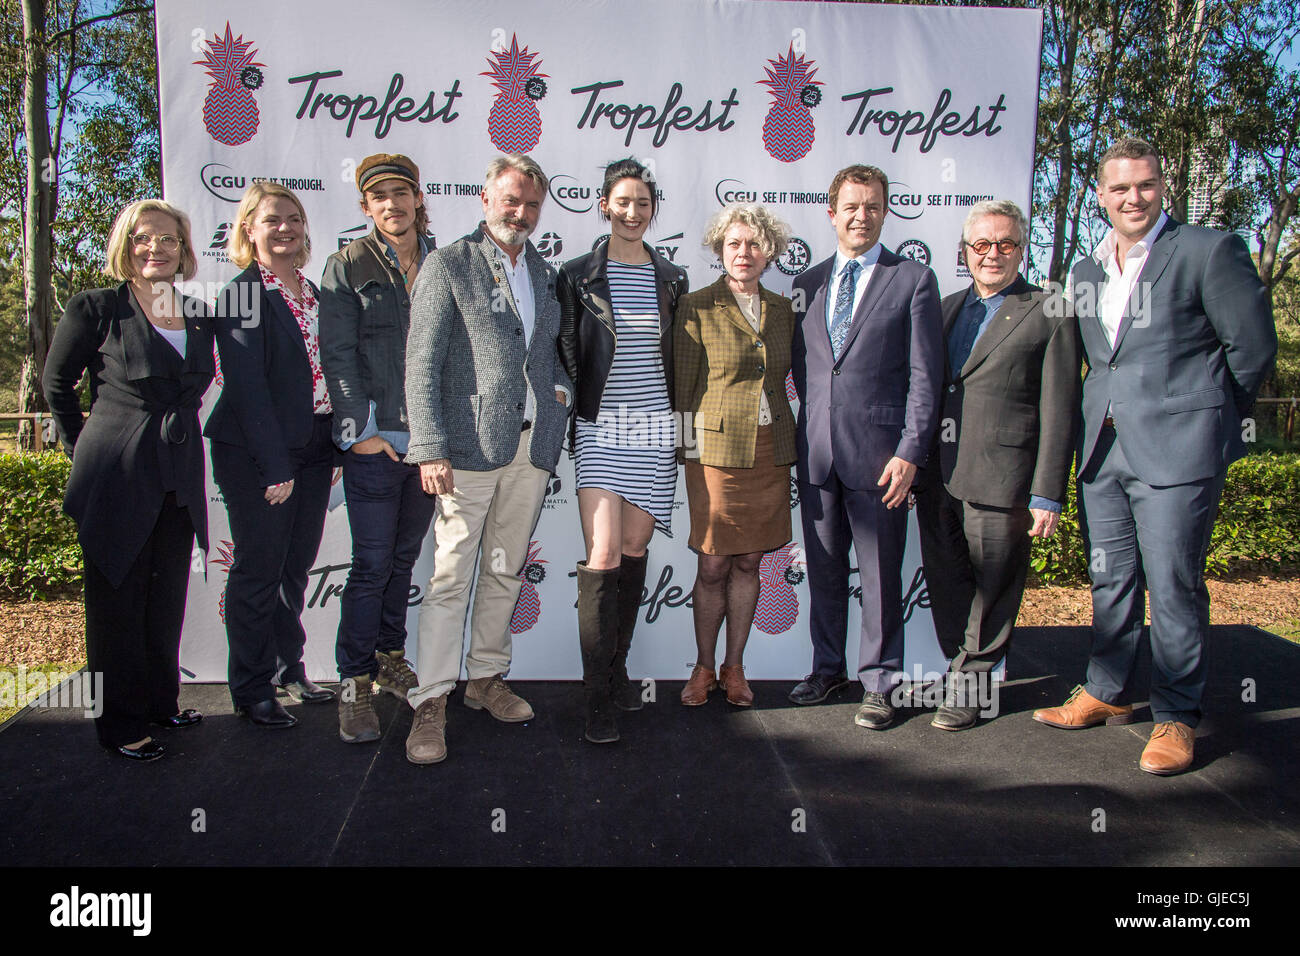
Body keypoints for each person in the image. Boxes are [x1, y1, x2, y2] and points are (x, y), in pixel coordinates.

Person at [1033, 137, 1276, 774]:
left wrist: (1213, 428)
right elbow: (1095, 361)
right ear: (1100, 195)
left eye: (1144, 185)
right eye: (1119, 188)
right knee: (1110, 576)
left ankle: (1175, 716)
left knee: (1173, 584)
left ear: (1162, 186)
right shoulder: (1085, 272)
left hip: (1178, 453)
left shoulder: (1207, 250)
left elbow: (1251, 351)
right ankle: (1107, 691)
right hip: (1103, 452)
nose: (1132, 198)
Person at [403, 154, 572, 765]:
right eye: (511, 200)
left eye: (531, 205)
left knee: (504, 569)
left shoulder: (546, 274)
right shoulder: (449, 263)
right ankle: (430, 700)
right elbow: (421, 362)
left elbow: (549, 356)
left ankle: (485, 678)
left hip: (531, 449)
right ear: (484, 197)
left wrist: (561, 401)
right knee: (450, 578)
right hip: (467, 451)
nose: (520, 213)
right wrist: (429, 448)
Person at [42, 199, 213, 761]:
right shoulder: (95, 308)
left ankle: (161, 703)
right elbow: (56, 384)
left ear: (184, 250)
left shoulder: (197, 312)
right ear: (125, 244)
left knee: (164, 597)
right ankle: (120, 725)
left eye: (168, 240)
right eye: (143, 238)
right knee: (117, 602)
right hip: (118, 472)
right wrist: (84, 449)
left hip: (178, 472)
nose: (155, 249)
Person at [915, 199, 1080, 731]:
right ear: (965, 252)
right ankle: (959, 667)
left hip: (1004, 476)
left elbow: (1061, 409)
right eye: (981, 245)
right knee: (946, 582)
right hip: (939, 473)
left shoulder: (1049, 307)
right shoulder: (943, 307)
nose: (993, 254)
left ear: (1020, 248)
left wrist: (1048, 492)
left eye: (1005, 244)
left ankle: (976, 684)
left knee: (994, 589)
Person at [788, 164, 943, 730]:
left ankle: (880, 681)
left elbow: (926, 377)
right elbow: (806, 372)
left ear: (885, 211)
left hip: (883, 460)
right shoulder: (806, 284)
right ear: (831, 213)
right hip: (817, 456)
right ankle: (828, 668)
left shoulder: (914, 280)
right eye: (851, 206)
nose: (862, 215)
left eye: (873, 206)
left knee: (880, 576)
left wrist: (910, 451)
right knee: (825, 569)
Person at [557, 157, 688, 744]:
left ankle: (617, 669)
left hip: (655, 429)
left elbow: (680, 360)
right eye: (622, 201)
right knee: (603, 554)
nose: (632, 212)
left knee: (634, 550)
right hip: (603, 427)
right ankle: (596, 698)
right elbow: (565, 350)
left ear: (653, 209)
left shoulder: (673, 278)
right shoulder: (577, 276)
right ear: (604, 205)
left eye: (643, 203)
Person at [204, 182, 337, 728]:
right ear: (248, 230)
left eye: (293, 219)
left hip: (314, 447)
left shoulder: (313, 293)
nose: (284, 228)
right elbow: (247, 385)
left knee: (294, 568)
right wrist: (275, 465)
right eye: (272, 220)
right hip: (259, 453)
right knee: (259, 569)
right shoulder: (241, 294)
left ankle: (289, 667)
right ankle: (251, 688)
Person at [319, 153, 438, 744]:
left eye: (400, 192)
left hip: (430, 447)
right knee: (369, 565)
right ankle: (353, 683)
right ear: (366, 207)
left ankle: (390, 657)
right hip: (374, 441)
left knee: (401, 559)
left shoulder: (445, 264)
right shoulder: (346, 266)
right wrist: (359, 433)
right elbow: (337, 357)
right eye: (379, 196)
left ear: (418, 198)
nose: (392, 203)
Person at [674, 203, 796, 709]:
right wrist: (685, 453)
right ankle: (703, 667)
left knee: (750, 561)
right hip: (714, 453)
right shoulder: (697, 305)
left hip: (770, 451)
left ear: (768, 252)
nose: (743, 253)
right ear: (720, 251)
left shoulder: (785, 310)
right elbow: (683, 389)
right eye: (733, 244)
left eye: (753, 244)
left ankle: (735, 668)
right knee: (712, 565)